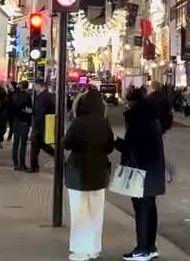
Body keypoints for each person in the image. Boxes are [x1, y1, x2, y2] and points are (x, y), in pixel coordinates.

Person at [115, 87, 166, 261]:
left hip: (140, 172)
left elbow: (130, 146)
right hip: (153, 170)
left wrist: (116, 143)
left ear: (132, 102)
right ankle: (150, 247)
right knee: (150, 209)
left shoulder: (137, 119)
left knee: (142, 211)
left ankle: (142, 249)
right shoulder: (152, 118)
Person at [65, 89, 115, 261]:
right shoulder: (104, 122)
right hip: (99, 171)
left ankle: (80, 250)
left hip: (78, 171)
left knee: (79, 213)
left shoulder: (78, 122)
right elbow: (109, 147)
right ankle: (94, 248)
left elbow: (67, 144)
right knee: (96, 212)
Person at [30, 79, 56, 173]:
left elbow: (42, 111)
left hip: (40, 125)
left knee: (37, 144)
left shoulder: (44, 96)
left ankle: (34, 167)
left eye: (34, 85)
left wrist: (36, 121)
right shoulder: (44, 96)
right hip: (42, 125)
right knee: (40, 145)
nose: (34, 87)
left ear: (39, 85)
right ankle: (34, 166)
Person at [9, 81, 33, 171]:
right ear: (26, 87)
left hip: (15, 121)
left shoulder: (14, 95)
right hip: (24, 122)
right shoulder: (27, 96)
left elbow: (11, 108)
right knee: (23, 144)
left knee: (15, 143)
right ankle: (22, 164)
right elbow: (29, 110)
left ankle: (15, 164)